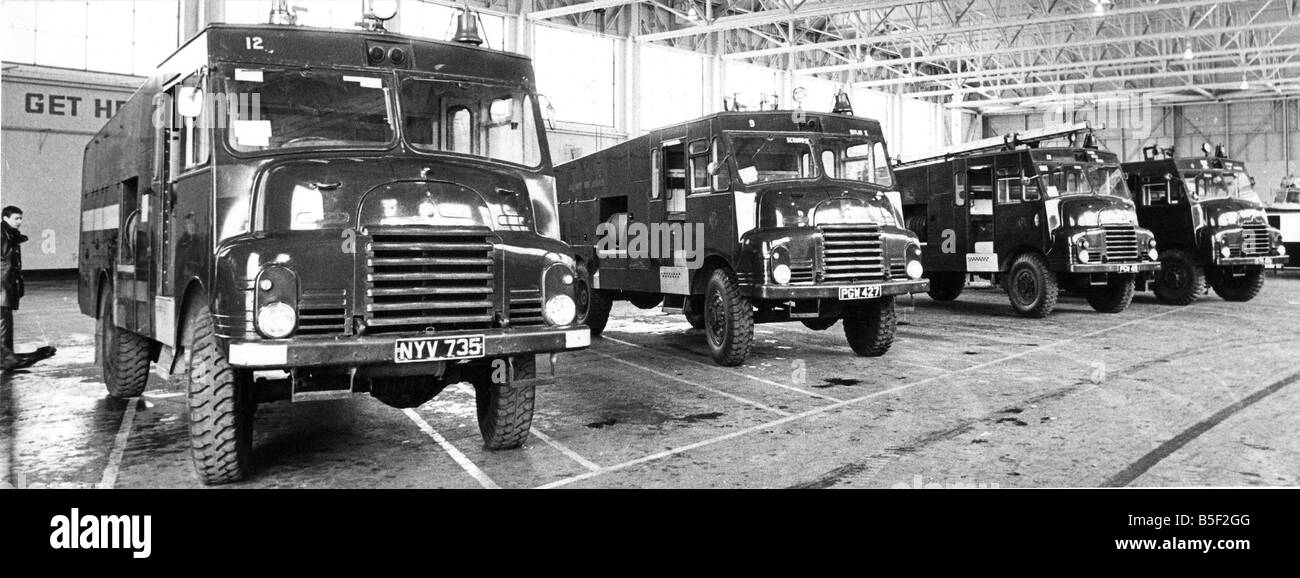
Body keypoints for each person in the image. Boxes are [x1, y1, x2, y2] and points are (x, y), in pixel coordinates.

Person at [1, 206, 26, 370]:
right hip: (2, 284)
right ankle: (6, 358)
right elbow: (5, 258)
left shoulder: (8, 234)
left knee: (5, 320)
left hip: (5, 284)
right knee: (3, 321)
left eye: (20, 218)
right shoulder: (4, 235)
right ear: (5, 218)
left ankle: (7, 356)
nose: (20, 222)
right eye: (16, 218)